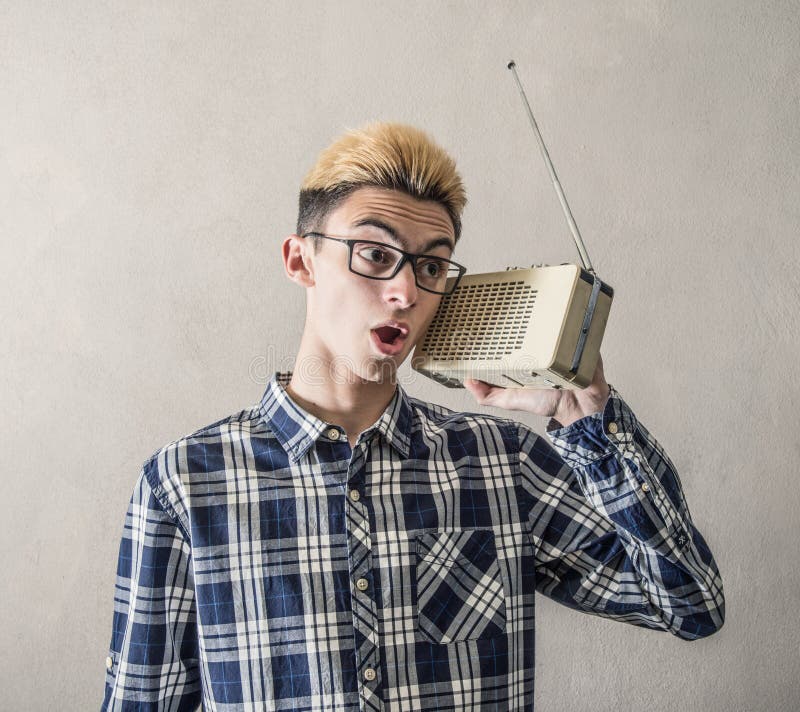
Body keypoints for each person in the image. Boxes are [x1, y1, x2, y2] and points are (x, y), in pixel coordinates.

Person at [101, 123, 724, 711]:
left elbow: (690, 605)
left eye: (430, 266)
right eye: (374, 254)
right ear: (300, 261)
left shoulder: (501, 463)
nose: (405, 292)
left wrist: (588, 423)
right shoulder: (184, 483)